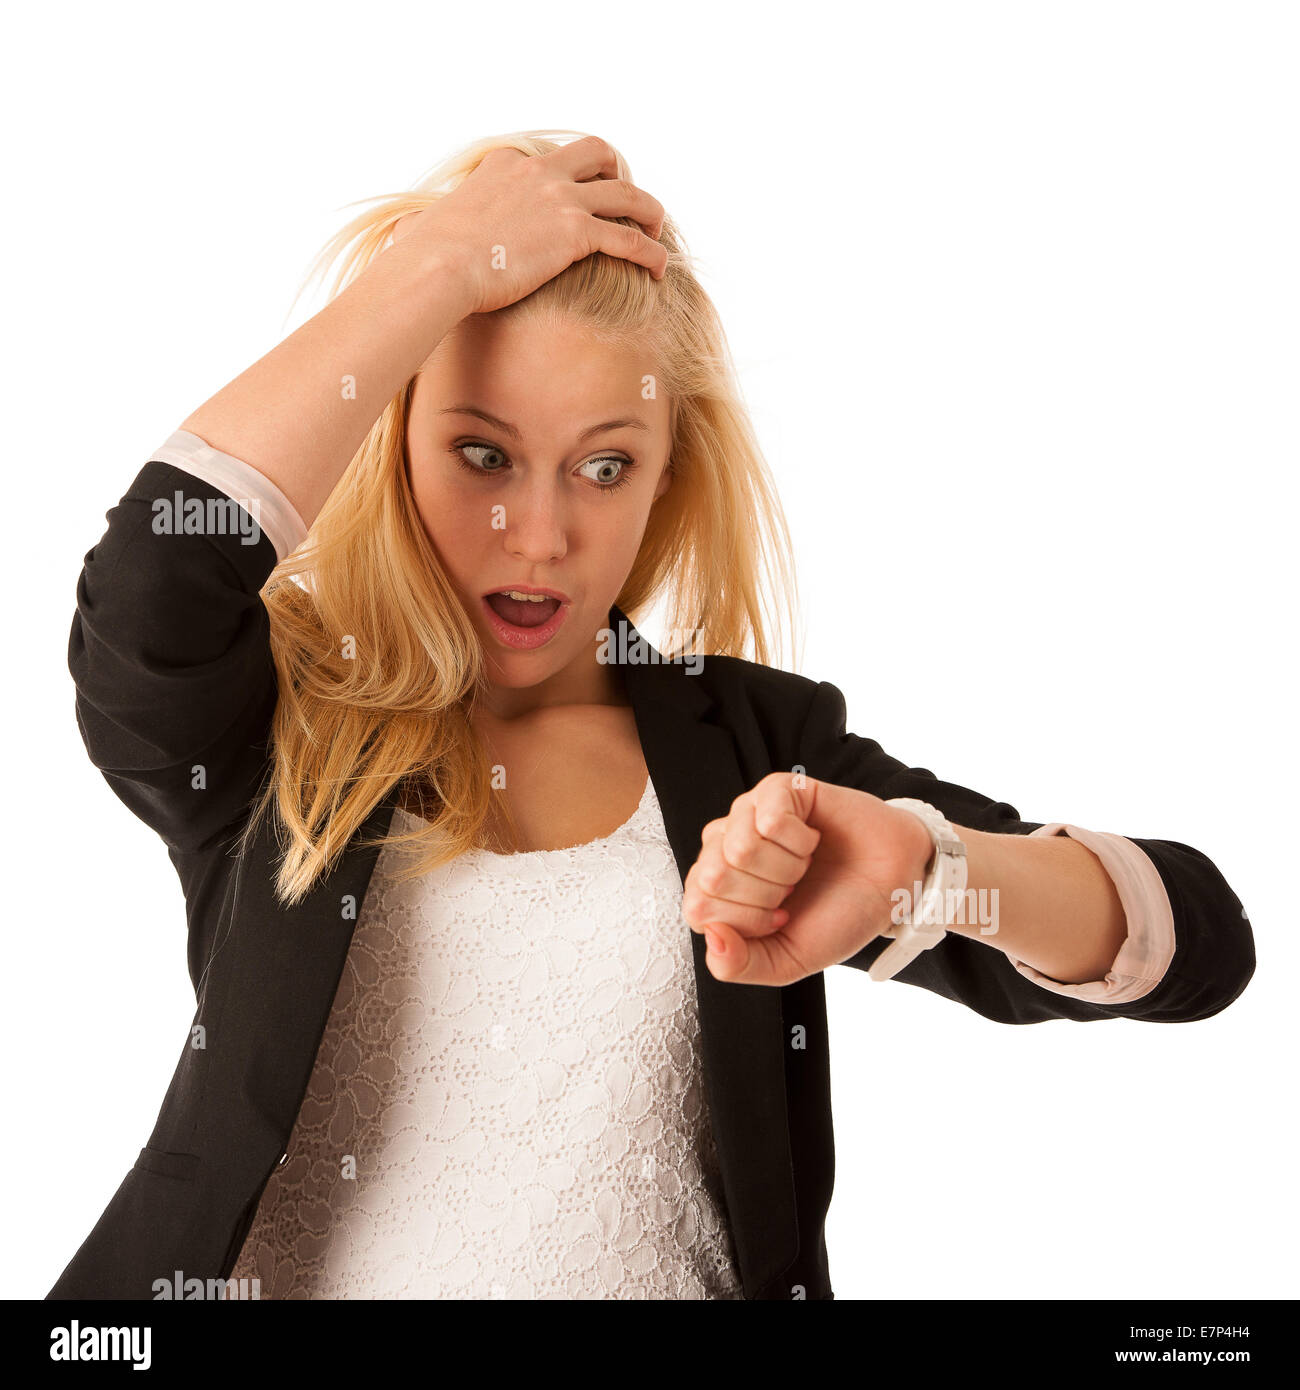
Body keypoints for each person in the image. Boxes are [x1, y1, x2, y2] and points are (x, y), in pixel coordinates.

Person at [47, 130, 1255, 1302]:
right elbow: (149, 592)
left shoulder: (754, 754)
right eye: (480, 454)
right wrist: (434, 271)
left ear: (667, 472)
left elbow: (1193, 946)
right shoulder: (278, 726)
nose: (543, 533)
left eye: (604, 464)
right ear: (389, 437)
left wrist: (926, 873)